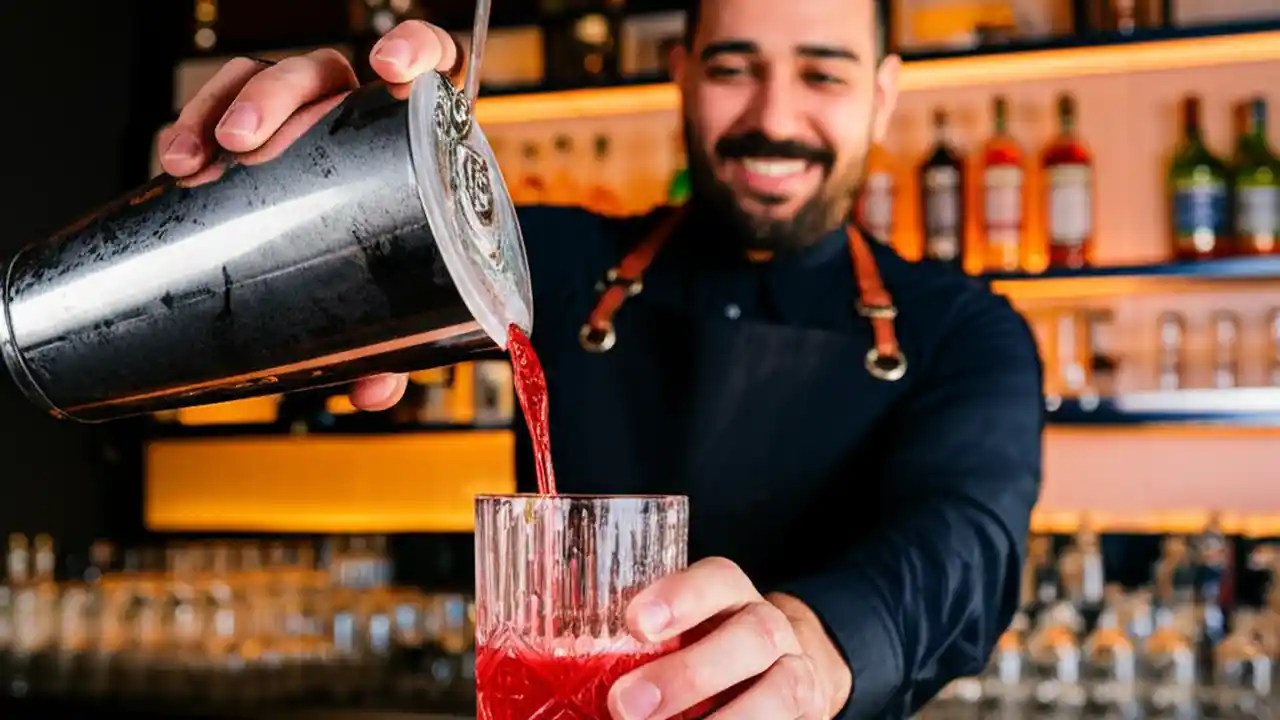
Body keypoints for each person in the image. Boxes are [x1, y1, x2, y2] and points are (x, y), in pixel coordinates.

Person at [158, 0, 1044, 717]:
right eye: (733, 68)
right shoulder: (552, 267)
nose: (774, 118)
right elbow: (354, 260)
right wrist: (315, 171)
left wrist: (816, 646)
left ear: (884, 95)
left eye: (823, 74)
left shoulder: (965, 330)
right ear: (682, 73)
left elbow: (968, 546)